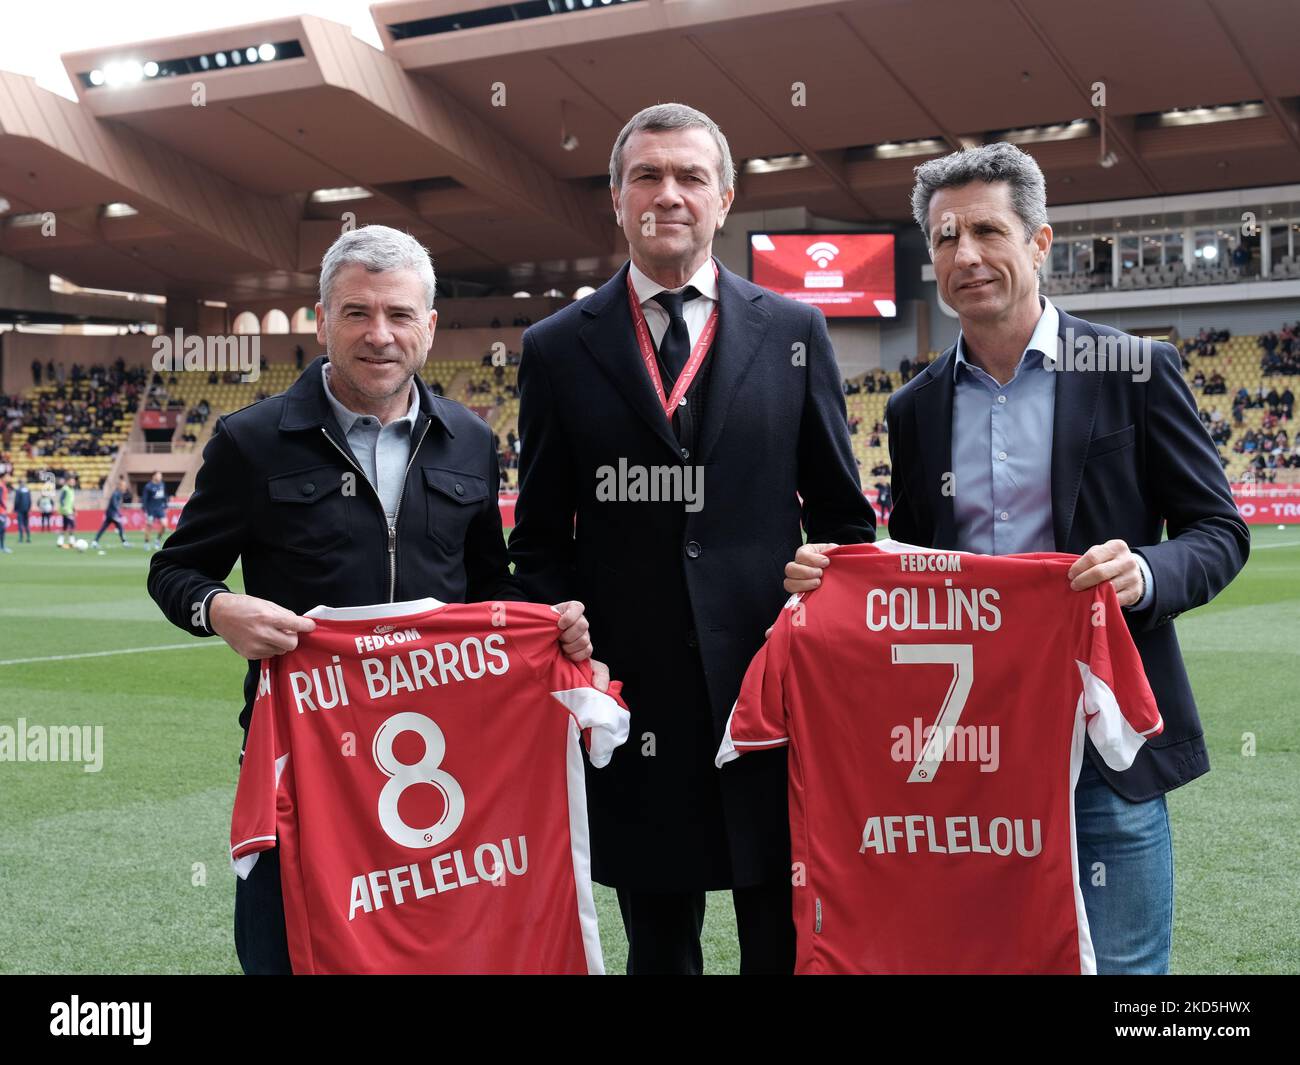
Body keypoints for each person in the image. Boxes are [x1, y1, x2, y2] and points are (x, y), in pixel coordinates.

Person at [783, 142, 1249, 975]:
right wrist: (839, 580)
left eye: (989, 231)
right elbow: (919, 573)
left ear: (1039, 242)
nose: (967, 256)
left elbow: (1220, 531)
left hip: (1106, 738)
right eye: (946, 237)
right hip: (971, 747)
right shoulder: (914, 408)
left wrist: (1142, 575)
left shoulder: (1135, 369)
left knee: (1129, 972)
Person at [147, 225, 597, 975]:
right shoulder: (252, 440)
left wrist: (547, 622)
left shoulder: (470, 442)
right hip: (302, 762)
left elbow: (487, 585)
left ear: (429, 326)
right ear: (322, 321)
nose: (378, 334)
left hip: (445, 768)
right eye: (356, 313)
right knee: (286, 955)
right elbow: (175, 570)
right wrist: (221, 610)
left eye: (398, 314)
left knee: (440, 954)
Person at [509, 103, 874, 975]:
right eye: (647, 176)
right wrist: (561, 622)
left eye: (689, 177)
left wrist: (821, 586)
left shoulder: (794, 331)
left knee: (780, 941)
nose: (667, 194)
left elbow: (845, 520)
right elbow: (540, 536)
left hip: (771, 691)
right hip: (633, 697)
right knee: (660, 947)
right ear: (616, 197)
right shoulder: (558, 346)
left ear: (725, 198)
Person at [91, 475, 131, 550]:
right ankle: (124, 542)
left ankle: (95, 542)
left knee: (104, 528)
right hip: (113, 514)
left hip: (111, 513)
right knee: (119, 527)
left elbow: (117, 504)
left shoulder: (119, 493)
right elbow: (114, 503)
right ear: (120, 486)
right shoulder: (116, 493)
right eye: (123, 486)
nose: (125, 487)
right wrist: (118, 513)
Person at [141, 471, 169, 550]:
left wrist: (166, 505)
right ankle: (146, 543)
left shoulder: (162, 484)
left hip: (160, 509)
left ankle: (157, 540)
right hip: (151, 509)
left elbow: (164, 496)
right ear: (153, 476)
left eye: (161, 476)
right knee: (149, 526)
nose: (160, 477)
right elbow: (144, 499)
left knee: (164, 525)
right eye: (159, 475)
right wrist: (145, 510)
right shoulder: (148, 486)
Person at [55, 476, 76, 548]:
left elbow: (71, 501)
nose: (73, 482)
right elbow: (61, 500)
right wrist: (64, 508)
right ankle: (71, 541)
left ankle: (60, 541)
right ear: (68, 482)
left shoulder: (72, 490)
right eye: (71, 481)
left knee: (65, 526)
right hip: (66, 511)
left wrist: (74, 509)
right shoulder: (65, 489)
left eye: (74, 481)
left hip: (69, 510)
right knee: (72, 525)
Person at [11, 479, 31, 543]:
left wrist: (14, 509)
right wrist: (28, 508)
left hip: (20, 510)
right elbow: (30, 501)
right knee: (26, 524)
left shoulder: (18, 491)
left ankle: (20, 539)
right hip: (26, 509)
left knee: (20, 524)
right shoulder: (27, 490)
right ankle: (28, 538)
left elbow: (16, 501)